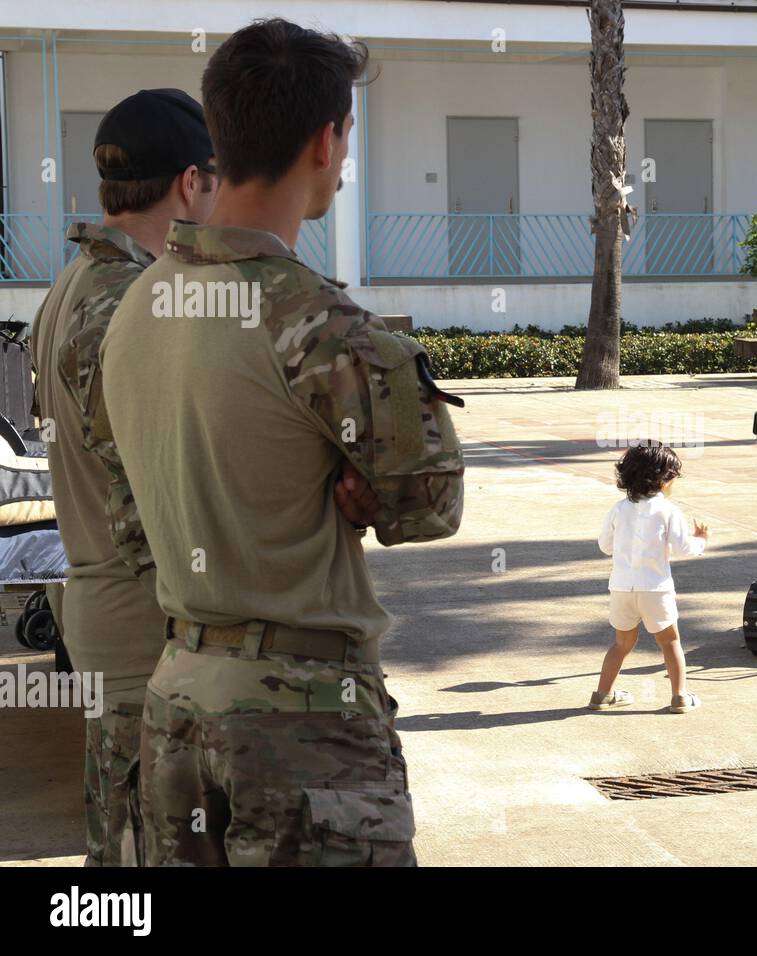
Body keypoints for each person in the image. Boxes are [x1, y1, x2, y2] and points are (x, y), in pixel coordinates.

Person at [99, 19, 465, 866]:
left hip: (177, 701)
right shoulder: (326, 328)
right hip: (303, 721)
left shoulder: (136, 305)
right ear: (327, 139)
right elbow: (432, 506)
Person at [28, 89, 218, 867]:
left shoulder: (74, 285)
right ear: (187, 184)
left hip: (115, 624)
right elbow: (143, 486)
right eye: (216, 181)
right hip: (148, 632)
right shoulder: (125, 300)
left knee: (123, 856)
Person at [592, 443, 707, 714]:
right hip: (655, 588)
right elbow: (683, 548)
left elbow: (605, 546)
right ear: (663, 479)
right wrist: (701, 540)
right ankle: (679, 696)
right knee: (670, 642)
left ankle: (602, 694)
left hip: (621, 587)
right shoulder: (667, 510)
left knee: (621, 644)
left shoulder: (619, 509)